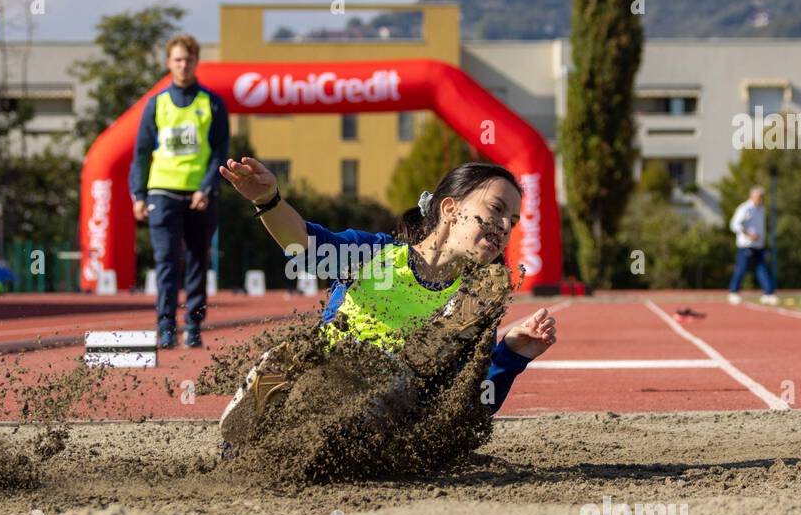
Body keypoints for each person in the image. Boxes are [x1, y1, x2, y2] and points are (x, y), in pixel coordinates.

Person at [216, 157, 558, 448]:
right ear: (450, 209)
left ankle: (332, 439)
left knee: (392, 382)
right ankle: (254, 434)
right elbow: (302, 248)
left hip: (390, 417)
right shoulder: (371, 254)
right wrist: (268, 200)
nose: (503, 226)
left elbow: (470, 402)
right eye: (496, 209)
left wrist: (511, 356)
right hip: (322, 375)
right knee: (293, 357)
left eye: (512, 222)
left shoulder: (476, 302)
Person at [129, 33, 229, 349]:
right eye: (177, 60)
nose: (183, 65)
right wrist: (138, 194)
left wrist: (207, 187)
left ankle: (194, 325)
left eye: (188, 59)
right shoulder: (156, 104)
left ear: (196, 62)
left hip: (200, 196)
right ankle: (166, 326)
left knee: (198, 259)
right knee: (167, 260)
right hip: (162, 192)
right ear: (168, 63)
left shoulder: (212, 103)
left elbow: (219, 151)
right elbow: (142, 151)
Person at [727, 185, 778, 305]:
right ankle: (733, 292)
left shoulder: (761, 209)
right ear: (752, 196)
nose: (761, 199)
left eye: (762, 197)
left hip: (759, 245)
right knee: (742, 268)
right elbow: (734, 224)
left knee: (762, 268)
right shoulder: (745, 208)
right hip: (746, 245)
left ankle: (768, 293)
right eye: (759, 197)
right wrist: (748, 234)